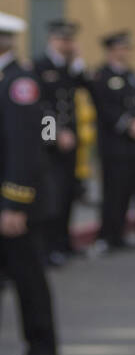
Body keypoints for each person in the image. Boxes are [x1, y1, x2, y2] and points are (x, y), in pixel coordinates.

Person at [0, 13, 58, 355]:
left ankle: (42, 354)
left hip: (15, 204)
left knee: (29, 281)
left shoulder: (19, 83)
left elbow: (24, 149)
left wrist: (13, 204)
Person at [33, 19, 87, 265]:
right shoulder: (38, 66)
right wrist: (54, 135)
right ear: (52, 40)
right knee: (51, 194)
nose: (67, 44)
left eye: (69, 40)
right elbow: (41, 107)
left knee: (67, 192)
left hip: (70, 142)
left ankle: (63, 243)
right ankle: (48, 247)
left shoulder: (69, 68)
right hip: (50, 144)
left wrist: (78, 63)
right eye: (63, 40)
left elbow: (89, 88)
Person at [89, 32, 135, 251]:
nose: (126, 52)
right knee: (112, 191)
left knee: (127, 189)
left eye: (127, 48)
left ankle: (120, 233)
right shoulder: (101, 75)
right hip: (113, 144)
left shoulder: (132, 75)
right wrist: (130, 124)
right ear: (111, 50)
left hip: (133, 145)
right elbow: (104, 109)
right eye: (122, 48)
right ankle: (107, 235)